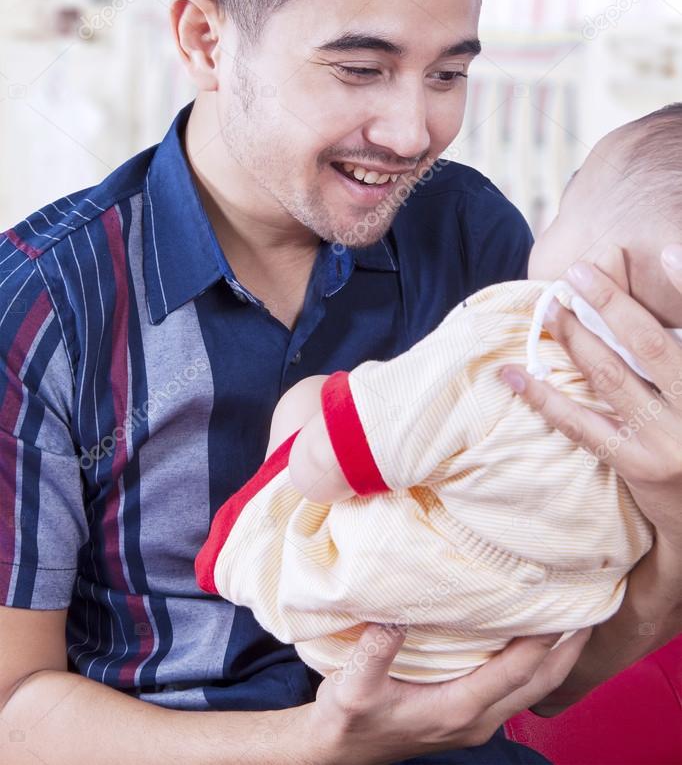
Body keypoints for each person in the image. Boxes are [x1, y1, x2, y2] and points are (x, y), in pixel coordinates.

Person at [0, 0, 680, 765]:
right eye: (360, 70)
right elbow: (15, 707)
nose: (413, 132)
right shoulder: (40, 307)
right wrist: (321, 743)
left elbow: (553, 631)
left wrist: (671, 509)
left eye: (446, 74)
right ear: (205, 39)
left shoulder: (466, 232)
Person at [195, 106, 681, 683]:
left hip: (346, 624)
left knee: (315, 399)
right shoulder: (666, 413)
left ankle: (246, 543)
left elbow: (334, 464)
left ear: (598, 266)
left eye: (561, 215)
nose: (409, 133)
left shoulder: (501, 332)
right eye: (357, 69)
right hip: (501, 654)